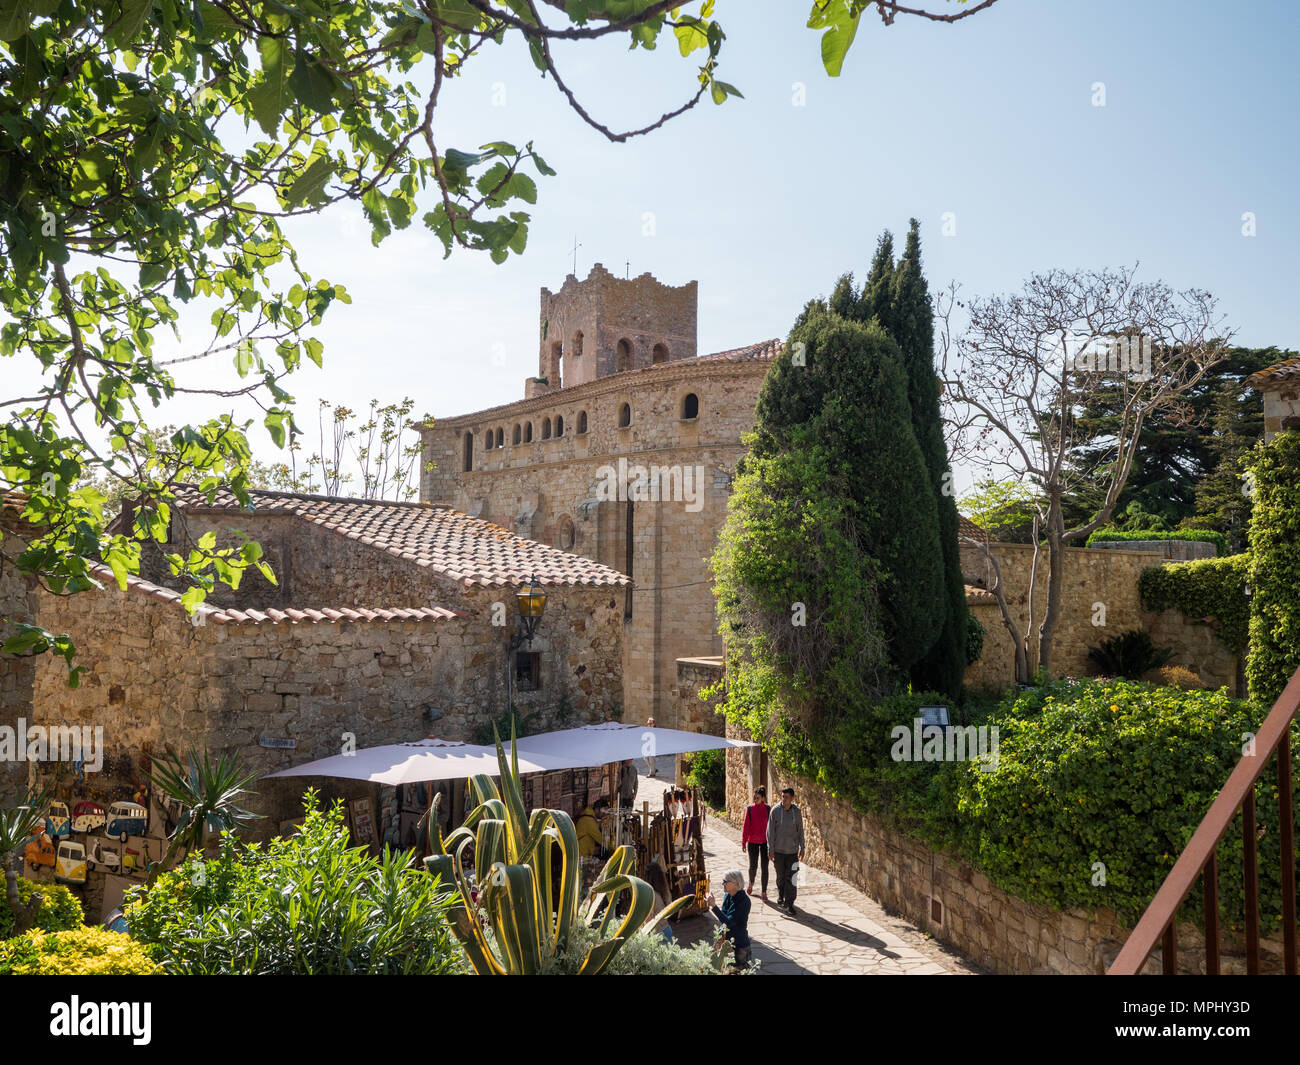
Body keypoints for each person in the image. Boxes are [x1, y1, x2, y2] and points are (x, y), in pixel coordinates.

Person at [767, 786, 805, 916]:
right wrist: (770, 849)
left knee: (792, 878)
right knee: (781, 877)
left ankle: (789, 904)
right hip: (778, 851)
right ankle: (781, 893)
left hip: (792, 852)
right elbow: (770, 832)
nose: (783, 799)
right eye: (782, 796)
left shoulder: (797, 812)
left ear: (792, 799)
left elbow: (800, 831)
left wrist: (802, 848)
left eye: (786, 797)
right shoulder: (775, 811)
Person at [706, 869, 752, 969]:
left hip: (739, 946)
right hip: (727, 943)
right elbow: (724, 916)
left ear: (736, 883)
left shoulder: (744, 901)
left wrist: (713, 906)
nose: (722, 883)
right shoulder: (728, 895)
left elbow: (729, 922)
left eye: (725, 881)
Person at [741, 786, 770, 899]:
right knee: (753, 866)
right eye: (754, 797)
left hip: (765, 842)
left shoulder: (768, 809)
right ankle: (751, 883)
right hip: (752, 841)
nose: (755, 799)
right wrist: (743, 842)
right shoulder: (749, 809)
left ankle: (764, 891)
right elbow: (746, 827)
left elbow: (772, 827)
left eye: (757, 797)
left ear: (763, 798)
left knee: (765, 867)